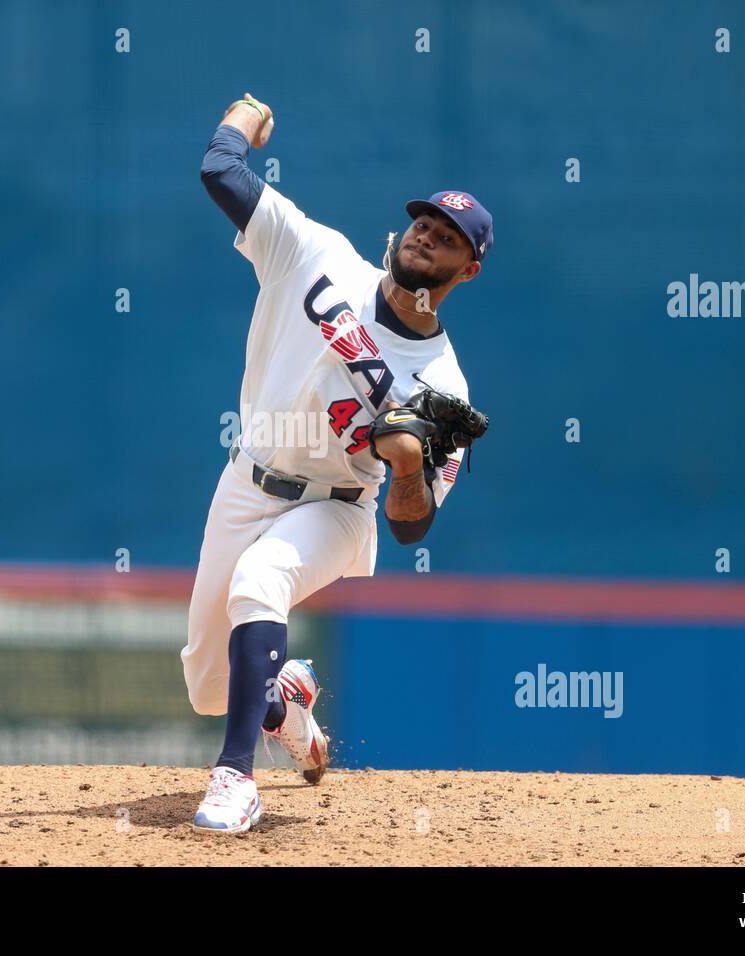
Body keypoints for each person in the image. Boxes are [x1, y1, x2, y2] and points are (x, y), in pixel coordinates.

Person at [183, 93, 492, 832]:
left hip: (338, 507)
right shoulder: (315, 253)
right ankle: (283, 698)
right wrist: (242, 120)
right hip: (244, 480)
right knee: (205, 684)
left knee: (263, 581)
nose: (427, 235)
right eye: (424, 220)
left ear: (468, 269)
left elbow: (413, 530)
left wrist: (411, 466)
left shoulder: (445, 385)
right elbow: (220, 173)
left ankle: (234, 780)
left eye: (448, 236)